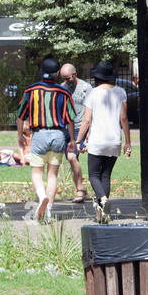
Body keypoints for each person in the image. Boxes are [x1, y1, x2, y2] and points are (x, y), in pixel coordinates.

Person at [15, 56, 77, 222]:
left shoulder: (30, 91)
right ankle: (48, 209)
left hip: (39, 134)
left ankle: (42, 197)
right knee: (53, 174)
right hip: (58, 135)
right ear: (57, 73)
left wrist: (20, 135)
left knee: (36, 172)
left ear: (42, 71)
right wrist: (72, 139)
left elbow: (20, 116)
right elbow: (70, 119)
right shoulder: (63, 92)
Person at [75, 61, 131, 222]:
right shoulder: (120, 92)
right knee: (105, 175)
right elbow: (124, 118)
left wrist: (79, 140)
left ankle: (103, 199)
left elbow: (86, 120)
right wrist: (127, 142)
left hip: (97, 140)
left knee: (93, 174)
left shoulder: (92, 93)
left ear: (96, 78)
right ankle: (101, 215)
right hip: (114, 139)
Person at [59, 63, 93, 204]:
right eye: (64, 78)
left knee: (72, 158)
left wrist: (89, 133)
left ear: (75, 73)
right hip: (66, 129)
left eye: (68, 78)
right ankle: (81, 189)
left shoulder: (86, 88)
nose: (67, 81)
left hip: (81, 127)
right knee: (73, 160)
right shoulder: (62, 88)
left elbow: (91, 112)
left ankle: (80, 190)